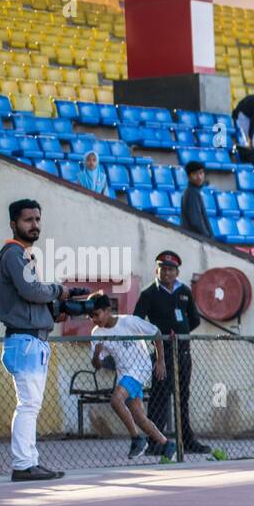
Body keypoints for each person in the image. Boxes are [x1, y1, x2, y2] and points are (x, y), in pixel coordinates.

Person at [0, 199, 81, 482]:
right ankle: (23, 464)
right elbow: (31, 290)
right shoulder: (13, 253)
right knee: (28, 405)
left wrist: (53, 311)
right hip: (25, 341)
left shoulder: (24, 255)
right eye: (28, 220)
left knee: (31, 405)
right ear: (14, 224)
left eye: (37, 219)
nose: (34, 225)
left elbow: (31, 298)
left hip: (32, 340)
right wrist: (59, 291)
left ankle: (30, 461)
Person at [133, 251, 211, 455]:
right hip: (162, 354)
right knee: (160, 397)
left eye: (171, 269)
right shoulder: (149, 294)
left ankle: (187, 440)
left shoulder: (184, 291)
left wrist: (182, 333)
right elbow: (137, 322)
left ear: (177, 272)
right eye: (163, 269)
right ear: (156, 270)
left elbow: (194, 319)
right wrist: (158, 337)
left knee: (183, 397)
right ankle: (156, 442)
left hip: (183, 352)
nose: (167, 273)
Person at [87, 293, 177, 461]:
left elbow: (156, 333)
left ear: (108, 310)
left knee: (115, 400)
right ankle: (166, 444)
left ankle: (137, 439)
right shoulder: (96, 332)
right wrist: (97, 354)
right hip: (124, 373)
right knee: (138, 416)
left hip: (140, 369)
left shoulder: (129, 322)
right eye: (90, 316)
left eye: (96, 314)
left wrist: (160, 361)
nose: (94, 319)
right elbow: (97, 365)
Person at [180, 160, 214, 238]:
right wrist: (208, 238)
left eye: (201, 173)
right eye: (194, 174)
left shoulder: (194, 192)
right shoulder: (192, 193)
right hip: (194, 239)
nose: (199, 177)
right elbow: (195, 222)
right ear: (188, 177)